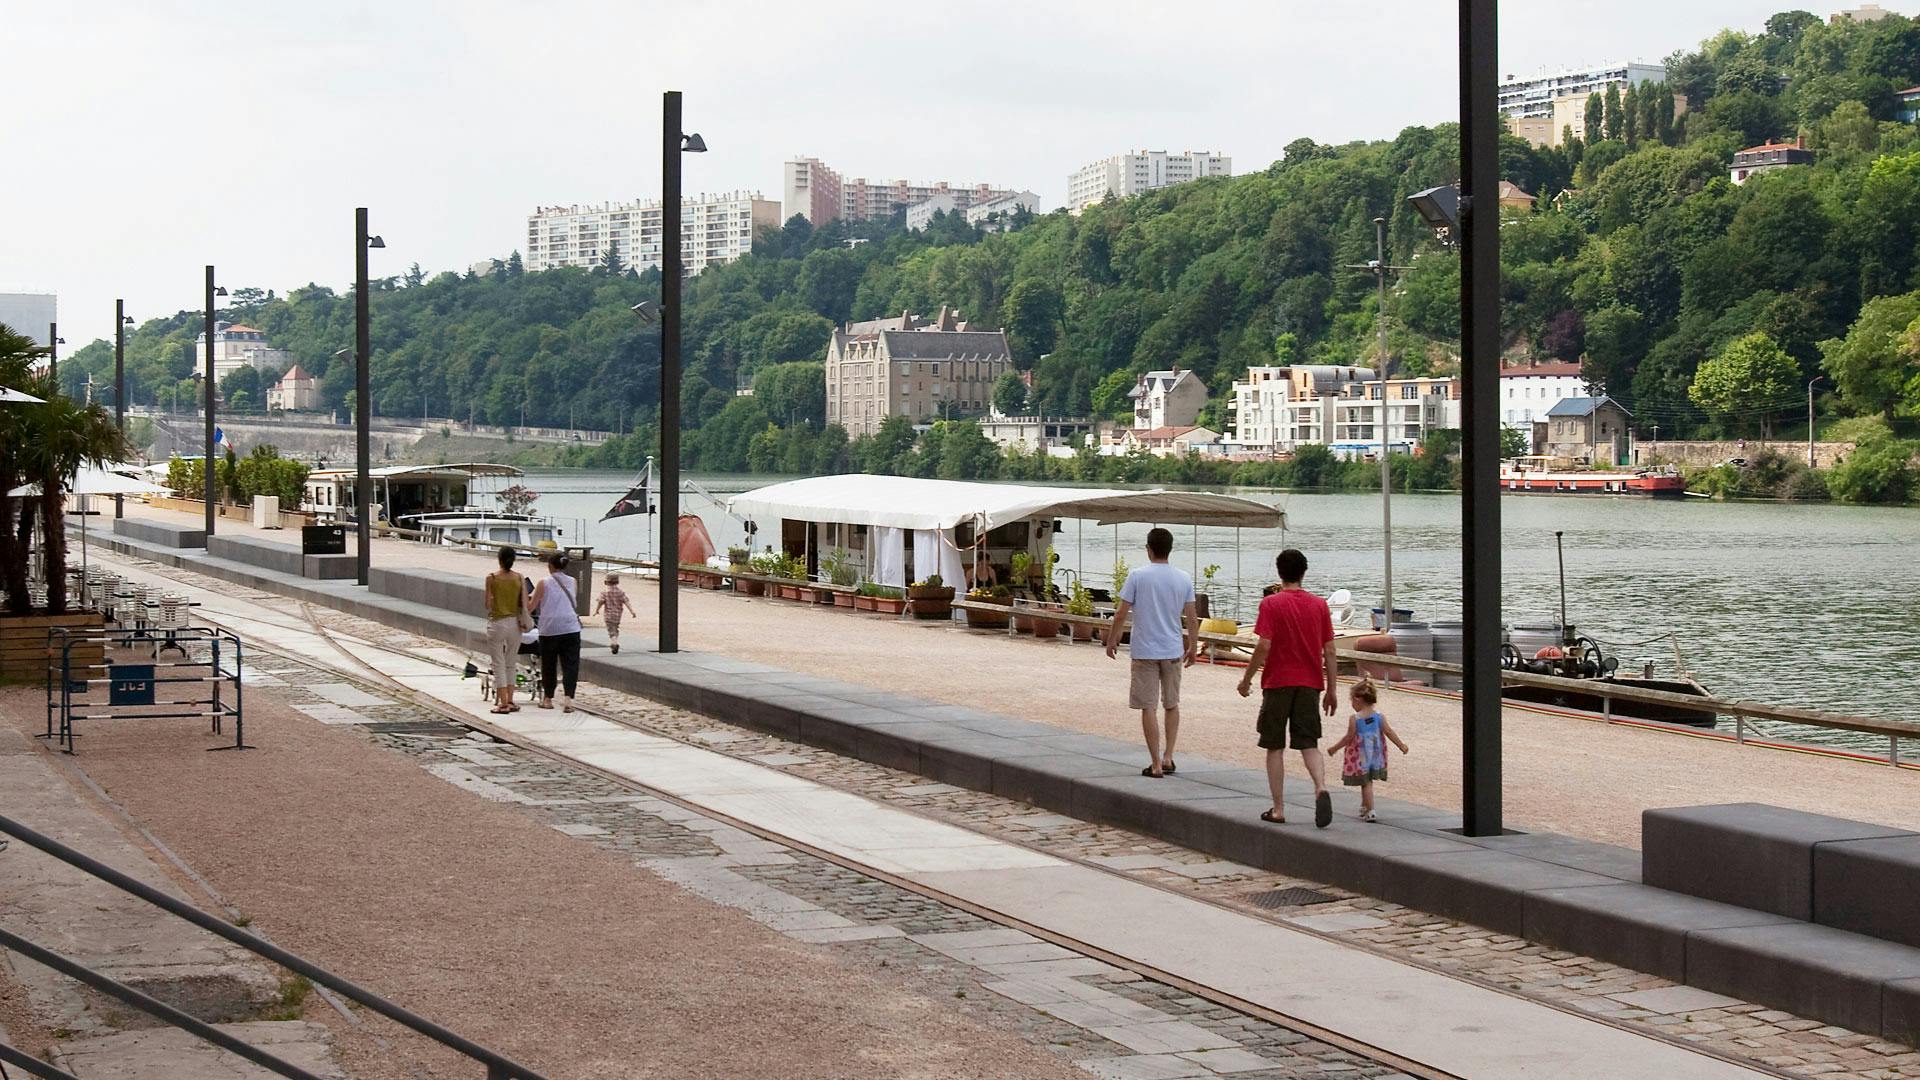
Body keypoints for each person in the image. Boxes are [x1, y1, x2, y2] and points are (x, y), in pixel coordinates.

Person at [1238, 548, 1339, 828]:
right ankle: (1320, 786)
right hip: (1310, 683)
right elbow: (1330, 651)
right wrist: (1331, 689)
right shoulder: (1320, 605)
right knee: (1309, 743)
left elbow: (1263, 645)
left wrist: (1246, 679)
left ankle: (1279, 808)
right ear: (1303, 572)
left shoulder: (1271, 604)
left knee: (1274, 746)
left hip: (1278, 681)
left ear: (1279, 572)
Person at [1104, 527, 1199, 778]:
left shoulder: (1137, 576)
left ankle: (1155, 763)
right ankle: (1169, 756)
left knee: (1148, 706)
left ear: (1148, 549)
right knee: (1171, 703)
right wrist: (1193, 646)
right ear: (1170, 549)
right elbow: (1191, 617)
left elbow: (1121, 613)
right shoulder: (1183, 578)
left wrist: (1112, 639)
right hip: (1172, 649)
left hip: (1145, 649)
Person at [1326, 679, 1408, 822]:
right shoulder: (1379, 716)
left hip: (1361, 755)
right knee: (1368, 780)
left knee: (1366, 783)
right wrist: (1401, 745)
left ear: (1358, 700)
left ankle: (1370, 810)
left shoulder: (1355, 718)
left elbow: (1349, 737)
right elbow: (1389, 732)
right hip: (1375, 754)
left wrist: (1334, 748)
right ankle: (1364, 806)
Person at [530, 553, 584, 712]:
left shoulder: (543, 583)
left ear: (550, 565)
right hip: (570, 627)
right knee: (571, 664)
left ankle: (548, 699)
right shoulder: (573, 582)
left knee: (549, 664)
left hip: (550, 629)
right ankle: (568, 700)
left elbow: (532, 606)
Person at [483, 548, 530, 714]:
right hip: (514, 624)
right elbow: (524, 603)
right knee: (511, 662)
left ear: (499, 559)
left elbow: (488, 604)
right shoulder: (519, 577)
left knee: (498, 663)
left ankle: (502, 703)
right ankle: (510, 700)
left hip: (497, 622)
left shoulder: (492, 578)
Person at [593, 572, 637, 654]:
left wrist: (596, 610)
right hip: (618, 614)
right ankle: (615, 641)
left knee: (611, 629)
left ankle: (614, 643)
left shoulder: (604, 592)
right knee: (615, 628)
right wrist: (632, 611)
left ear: (605, 582)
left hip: (608, 614)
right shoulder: (620, 592)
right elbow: (626, 601)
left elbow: (601, 602)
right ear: (618, 582)